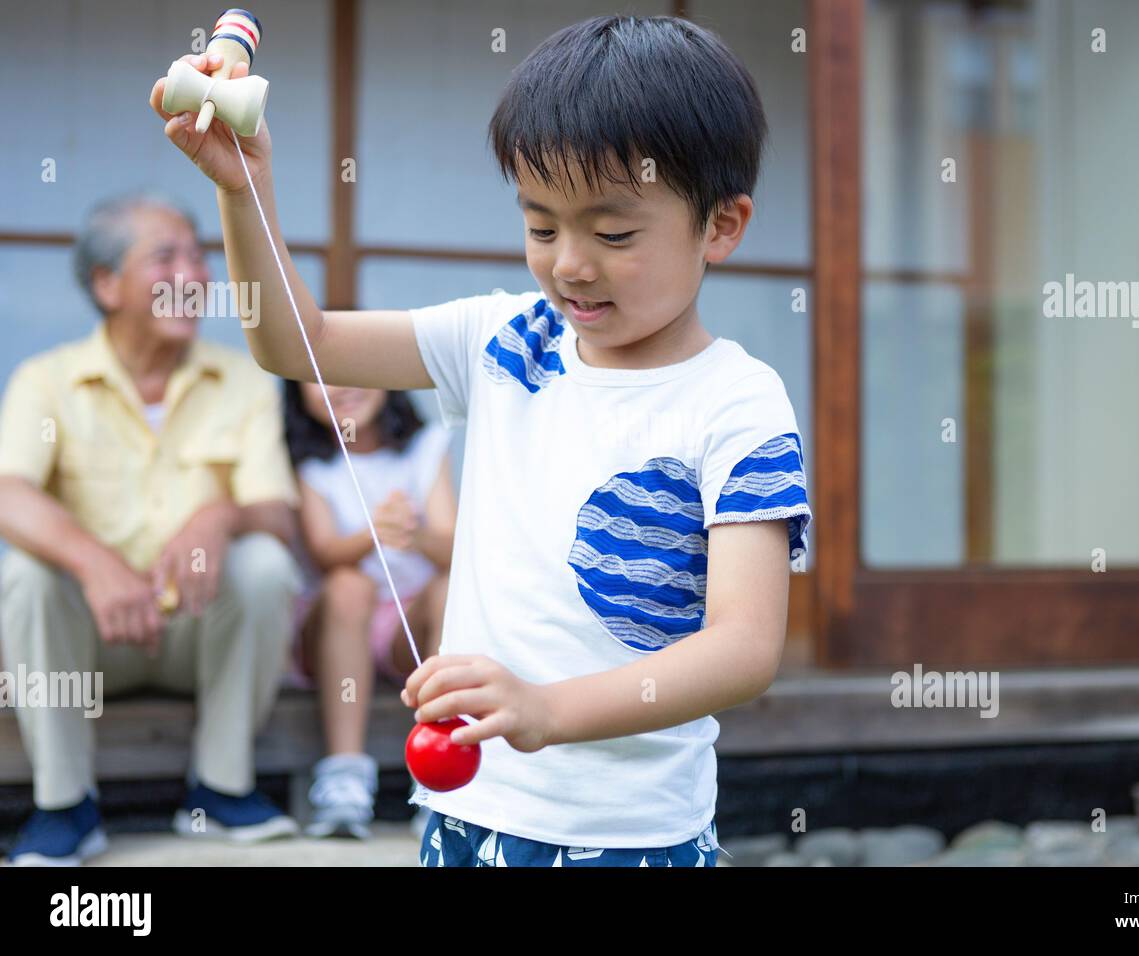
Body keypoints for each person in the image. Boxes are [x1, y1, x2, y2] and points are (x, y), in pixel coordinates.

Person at [149, 14, 812, 867]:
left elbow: (746, 648)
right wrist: (244, 191)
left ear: (721, 226)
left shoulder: (738, 402)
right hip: (467, 810)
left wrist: (547, 711)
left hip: (630, 836)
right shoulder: (505, 342)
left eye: (613, 234)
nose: (569, 263)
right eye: (541, 227)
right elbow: (291, 343)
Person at [0, 194, 302, 865]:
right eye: (166, 257)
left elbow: (278, 514)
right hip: (92, 638)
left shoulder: (243, 381)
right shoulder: (45, 381)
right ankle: (65, 805)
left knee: (262, 564)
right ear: (107, 284)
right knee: (26, 572)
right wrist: (92, 561)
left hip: (195, 632)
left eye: (199, 256)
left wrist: (219, 515)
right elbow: (7, 491)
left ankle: (223, 787)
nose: (195, 275)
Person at [282, 380, 455, 838]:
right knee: (348, 585)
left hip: (408, 631)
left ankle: (442, 778)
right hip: (334, 631)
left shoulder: (423, 446)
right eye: (317, 380)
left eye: (352, 371)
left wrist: (414, 533)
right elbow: (324, 553)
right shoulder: (309, 463)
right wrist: (375, 531)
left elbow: (453, 547)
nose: (338, 388)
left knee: (447, 587)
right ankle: (345, 777)